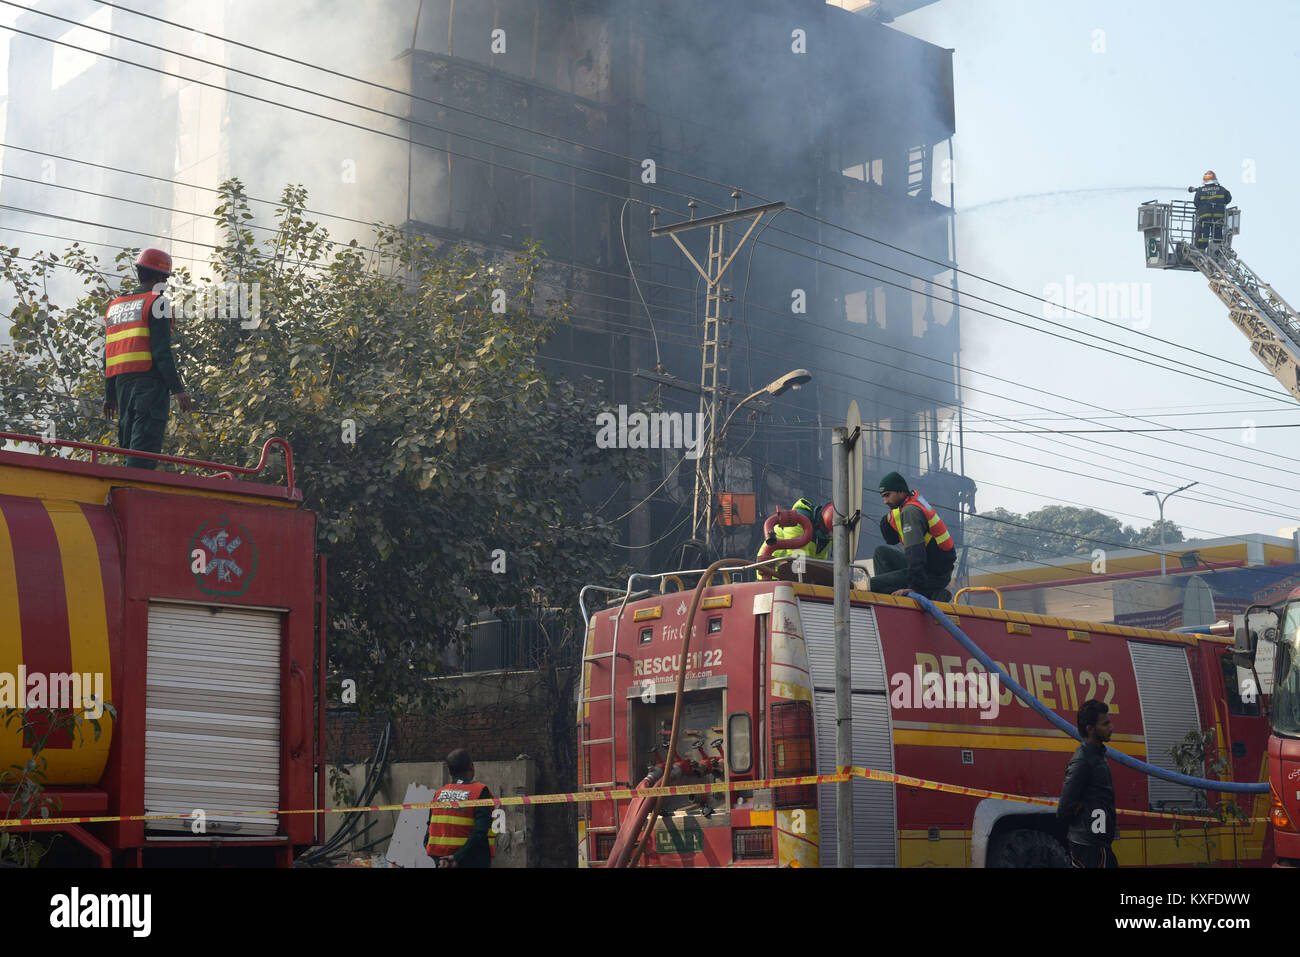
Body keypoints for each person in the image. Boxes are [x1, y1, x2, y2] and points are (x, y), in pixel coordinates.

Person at [101, 248, 192, 469]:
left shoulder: (115, 306)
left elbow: (108, 354)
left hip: (122, 385)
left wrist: (110, 393)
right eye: (166, 279)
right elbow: (161, 352)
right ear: (160, 278)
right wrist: (178, 390)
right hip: (149, 385)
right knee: (143, 450)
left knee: (129, 444)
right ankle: (134, 494)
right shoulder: (158, 303)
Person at [868, 471, 955, 600]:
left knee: (874, 584)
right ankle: (897, 595)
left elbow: (915, 553)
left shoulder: (911, 511)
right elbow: (891, 539)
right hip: (928, 566)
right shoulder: (908, 503)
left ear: (901, 492)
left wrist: (914, 587)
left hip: (933, 573)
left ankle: (930, 594)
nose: (885, 501)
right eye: (883, 497)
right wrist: (885, 520)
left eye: (887, 495)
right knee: (881, 553)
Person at [1057, 700, 1118, 868]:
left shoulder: (1097, 755)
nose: (1111, 727)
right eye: (1105, 723)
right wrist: (1084, 810)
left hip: (1098, 844)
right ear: (1090, 728)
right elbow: (1064, 810)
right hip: (1088, 846)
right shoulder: (1083, 760)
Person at [426, 748, 496, 868]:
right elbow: (480, 831)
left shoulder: (439, 794)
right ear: (471, 766)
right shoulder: (479, 791)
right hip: (471, 861)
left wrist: (440, 860)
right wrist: (457, 857)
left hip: (443, 863)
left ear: (449, 771)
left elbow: (429, 833)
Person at [757, 497, 832, 578]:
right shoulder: (797, 523)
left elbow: (819, 563)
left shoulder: (827, 536)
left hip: (797, 577)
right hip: (774, 574)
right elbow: (797, 557)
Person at [1187, 171, 1232, 249]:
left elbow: (1196, 203)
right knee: (1217, 233)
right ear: (1214, 179)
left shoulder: (1200, 190)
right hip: (1218, 217)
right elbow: (1228, 199)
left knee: (1203, 234)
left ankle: (1201, 248)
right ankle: (1217, 248)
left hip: (1204, 217)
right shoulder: (1221, 189)